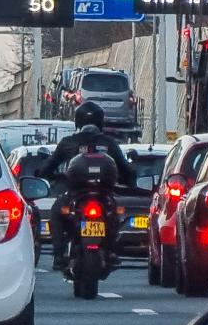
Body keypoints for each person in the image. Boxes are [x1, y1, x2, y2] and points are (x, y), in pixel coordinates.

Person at [37, 101, 136, 269]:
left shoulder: (68, 142)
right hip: (103, 196)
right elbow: (126, 169)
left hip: (76, 195)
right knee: (114, 213)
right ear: (101, 122)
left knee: (57, 212)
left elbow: (48, 167)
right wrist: (129, 180)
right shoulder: (109, 143)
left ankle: (59, 254)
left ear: (78, 122)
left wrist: (48, 176)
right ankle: (111, 251)